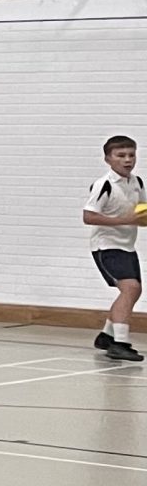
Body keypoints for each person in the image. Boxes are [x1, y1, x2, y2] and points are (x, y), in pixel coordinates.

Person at [84, 135, 144, 361]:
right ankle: (120, 343)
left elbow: (141, 213)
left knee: (134, 291)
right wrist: (124, 220)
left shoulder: (137, 182)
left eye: (131, 155)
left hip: (127, 245)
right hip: (106, 246)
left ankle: (106, 335)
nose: (127, 160)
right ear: (108, 159)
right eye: (121, 156)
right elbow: (88, 217)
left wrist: (141, 217)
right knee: (130, 289)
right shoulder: (104, 185)